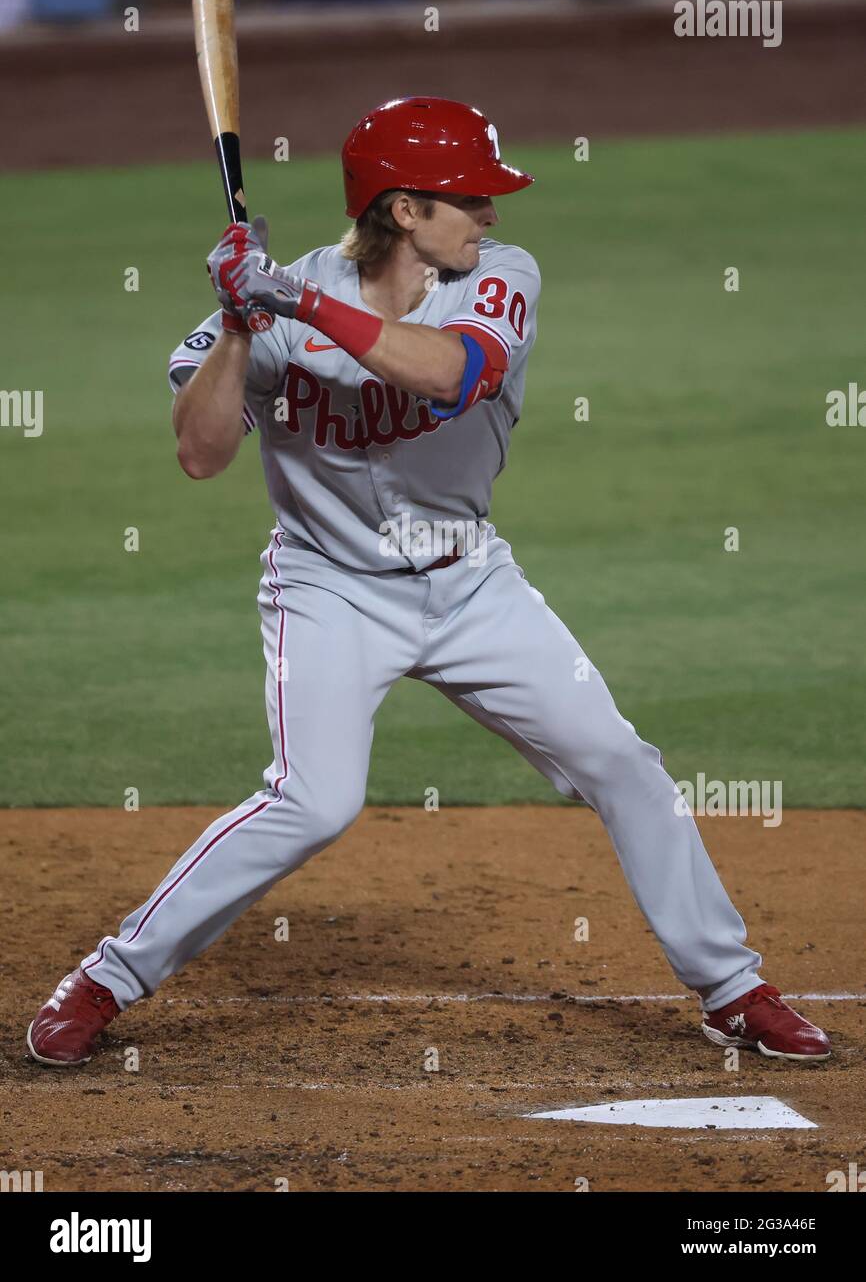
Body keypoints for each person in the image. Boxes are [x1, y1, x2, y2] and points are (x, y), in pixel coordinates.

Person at [26, 97, 830, 1068]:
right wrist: (242, 324)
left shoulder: (497, 279)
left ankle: (731, 987)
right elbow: (200, 454)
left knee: (621, 762)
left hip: (468, 583)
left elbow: (450, 373)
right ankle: (107, 977)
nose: (489, 215)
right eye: (469, 199)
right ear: (403, 210)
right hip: (328, 588)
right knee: (312, 801)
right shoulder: (273, 308)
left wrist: (291, 302)